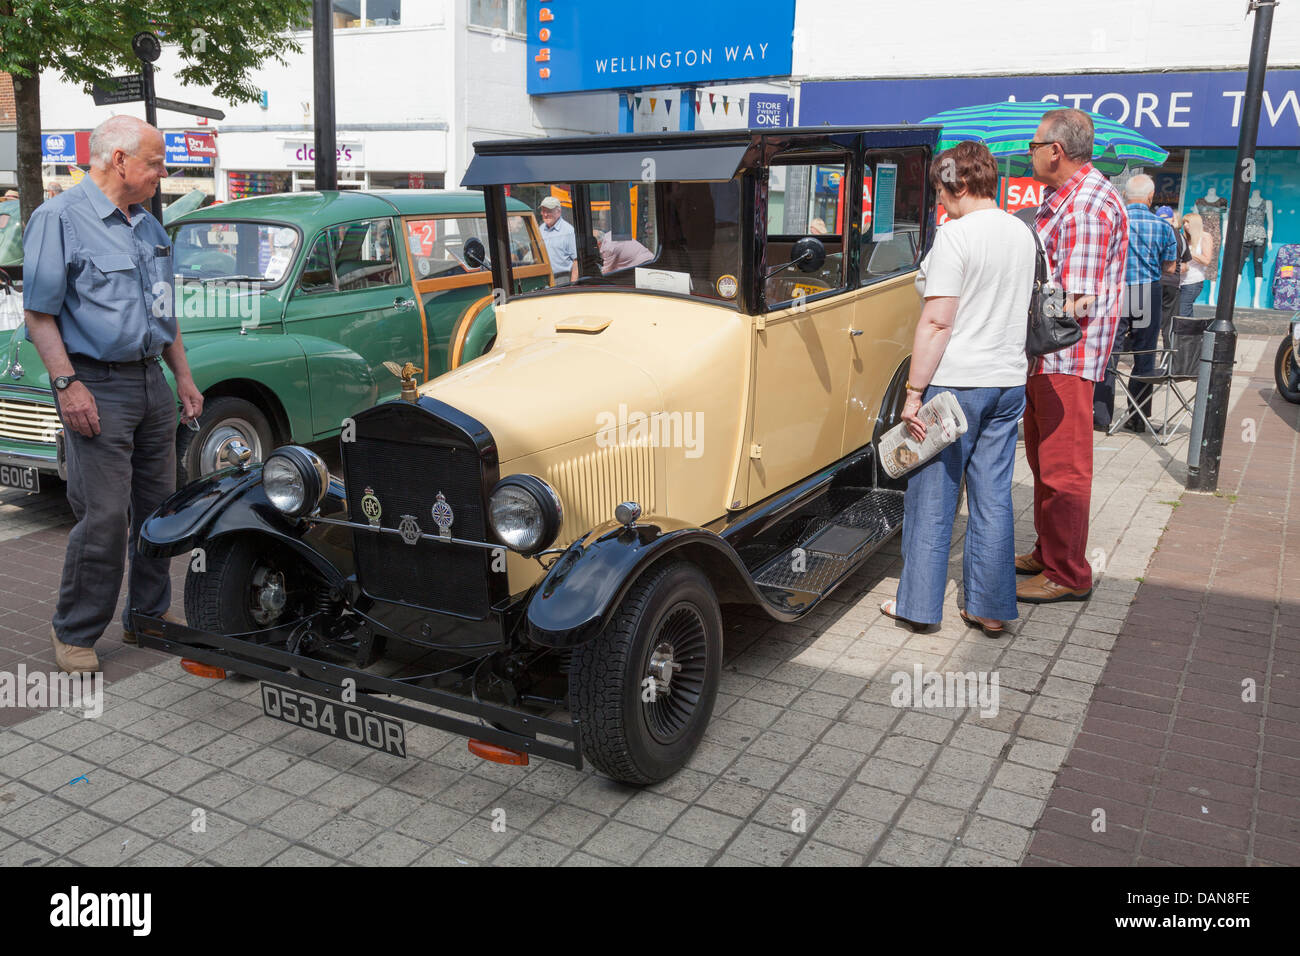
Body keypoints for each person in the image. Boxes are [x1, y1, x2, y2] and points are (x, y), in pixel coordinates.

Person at [22, 115, 204, 674]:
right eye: (155, 161)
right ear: (119, 160)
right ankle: (74, 632)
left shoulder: (148, 224)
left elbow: (164, 315)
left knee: (160, 508)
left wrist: (184, 378)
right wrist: (66, 385)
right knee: (102, 516)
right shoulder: (58, 218)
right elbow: (39, 315)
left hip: (151, 382)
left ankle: (147, 613)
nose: (164, 172)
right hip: (94, 386)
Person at [880, 141, 1035, 636]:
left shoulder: (955, 236)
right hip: (1009, 381)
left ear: (960, 184)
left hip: (956, 383)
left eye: (941, 192)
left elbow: (937, 322)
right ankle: (990, 608)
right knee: (993, 497)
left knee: (933, 497)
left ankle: (918, 607)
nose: (938, 203)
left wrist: (912, 392)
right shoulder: (1022, 232)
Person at [1016, 108, 1128, 605]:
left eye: (1034, 145)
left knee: (1063, 471)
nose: (1029, 152)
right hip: (1051, 357)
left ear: (1056, 151)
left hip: (1064, 356)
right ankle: (1050, 551)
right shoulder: (1069, 197)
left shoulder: (1083, 204)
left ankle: (1067, 573)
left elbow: (1078, 299)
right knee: (1046, 465)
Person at [1096, 174, 1177, 432]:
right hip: (1146, 291)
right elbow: (1171, 266)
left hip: (1116, 291)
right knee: (1144, 353)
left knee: (1110, 351)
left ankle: (1101, 415)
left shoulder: (1110, 222)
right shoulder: (1163, 227)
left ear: (1124, 195)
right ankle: (1138, 417)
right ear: (1151, 197)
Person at [1179, 212, 1214, 317]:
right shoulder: (1185, 238)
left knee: (1183, 311)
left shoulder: (1205, 236)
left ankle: (1185, 333)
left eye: (1188, 222)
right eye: (1184, 222)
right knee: (1183, 311)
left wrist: (1188, 252)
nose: (1185, 225)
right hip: (1180, 280)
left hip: (1193, 281)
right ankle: (1191, 332)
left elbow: (1206, 260)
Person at [536, 195, 578, 284]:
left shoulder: (568, 231)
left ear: (558, 212)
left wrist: (573, 285)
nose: (545, 214)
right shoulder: (540, 229)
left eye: (549, 211)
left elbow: (576, 261)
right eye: (543, 211)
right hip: (543, 278)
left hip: (562, 279)